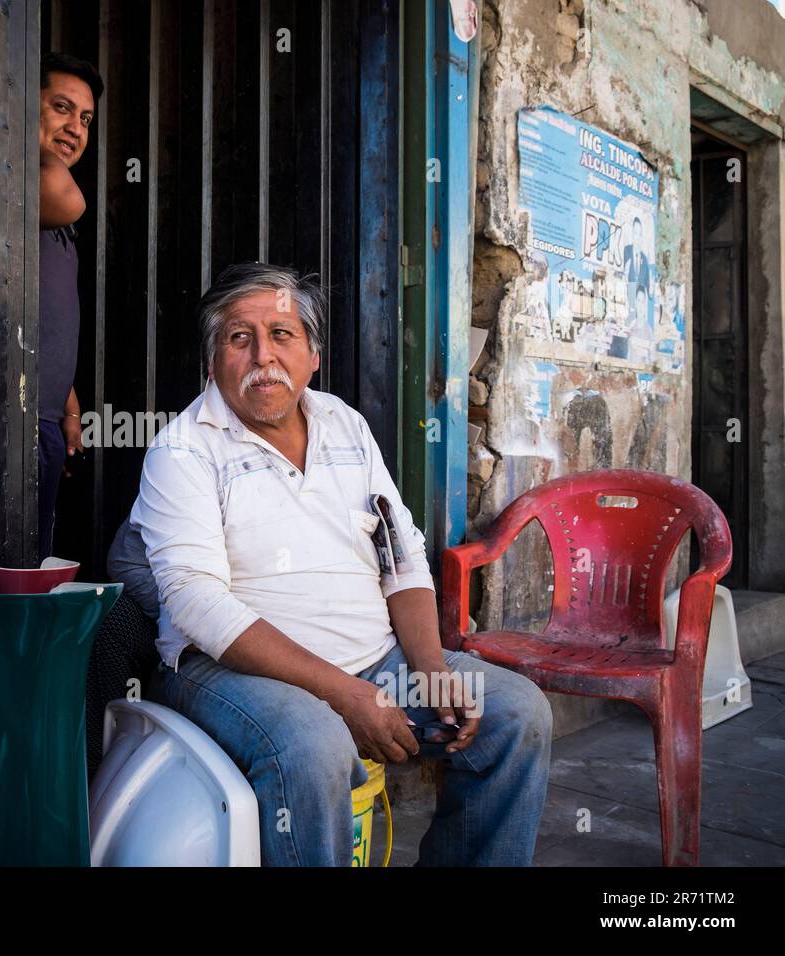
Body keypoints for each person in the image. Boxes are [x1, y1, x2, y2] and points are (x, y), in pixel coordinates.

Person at [109, 263, 553, 866]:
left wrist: (428, 668)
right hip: (227, 672)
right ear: (214, 362)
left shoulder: (345, 424)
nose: (264, 355)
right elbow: (197, 605)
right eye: (241, 338)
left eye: (282, 335)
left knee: (515, 713)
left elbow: (402, 557)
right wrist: (346, 695)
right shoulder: (182, 451)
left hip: (375, 662)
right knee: (313, 744)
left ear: (312, 355)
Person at [37, 52, 103, 561]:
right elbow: (69, 197)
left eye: (85, 119)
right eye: (62, 108)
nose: (75, 128)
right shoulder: (29, 180)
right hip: (10, 424)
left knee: (31, 569)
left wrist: (67, 395)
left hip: (44, 418)